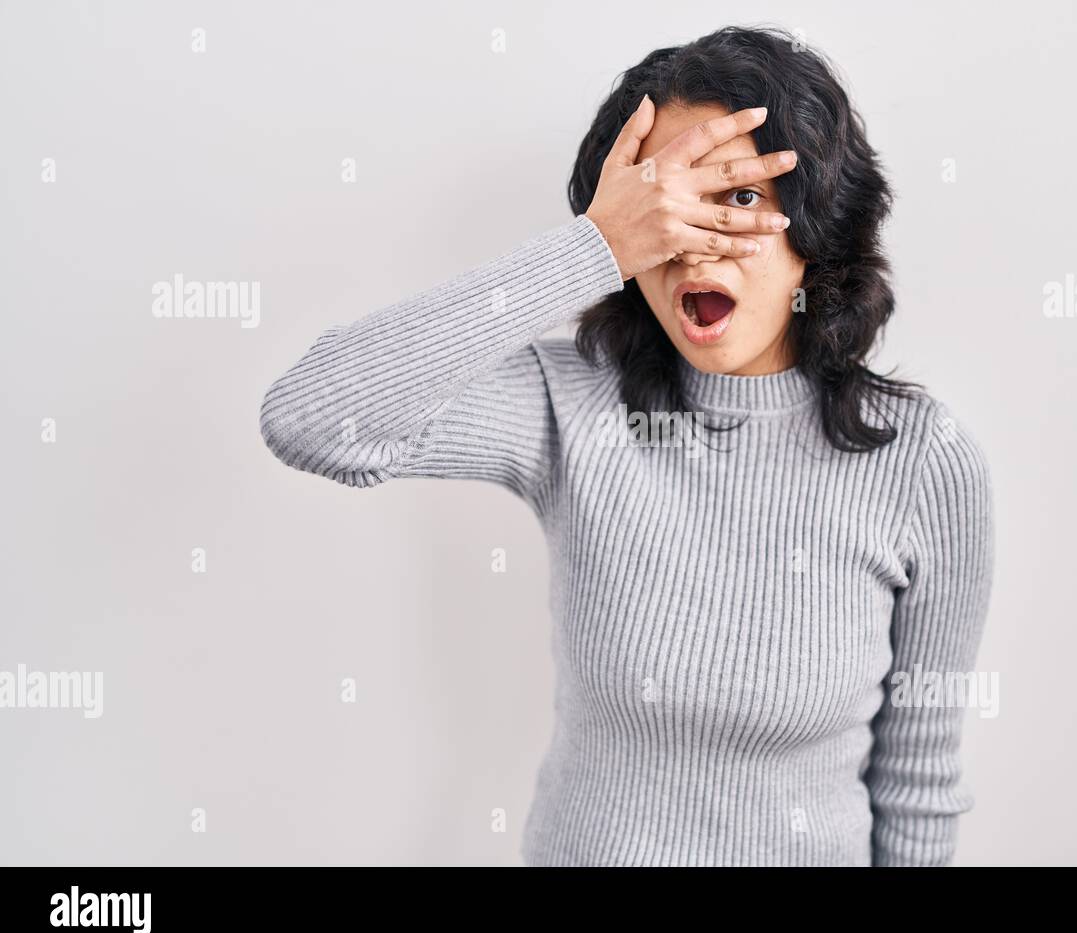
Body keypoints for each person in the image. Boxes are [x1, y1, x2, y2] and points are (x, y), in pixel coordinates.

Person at [259, 25, 994, 866]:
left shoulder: (924, 462)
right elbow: (310, 417)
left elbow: (919, 785)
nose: (695, 242)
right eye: (663, 204)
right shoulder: (571, 402)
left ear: (815, 231)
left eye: (739, 195)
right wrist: (593, 249)